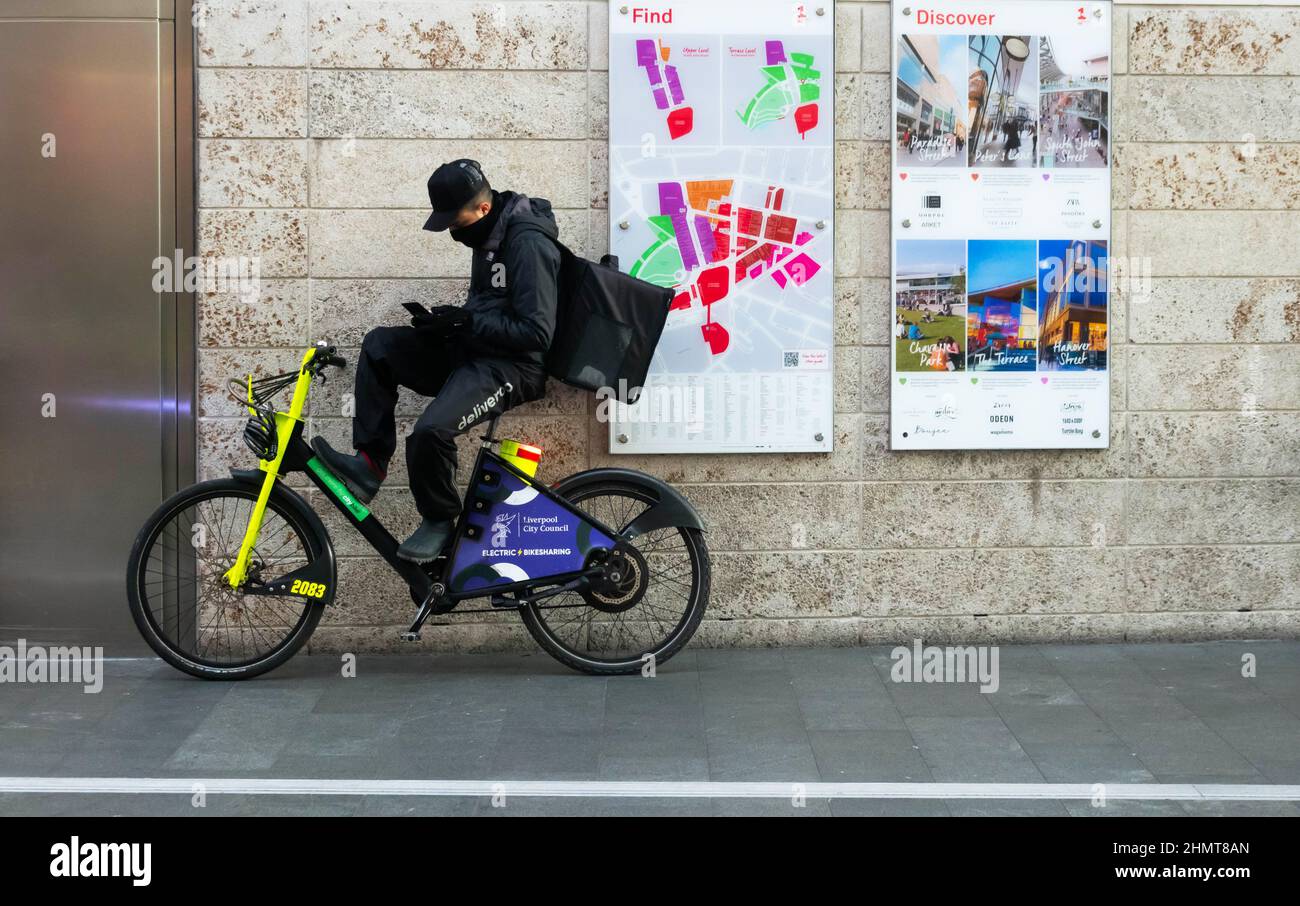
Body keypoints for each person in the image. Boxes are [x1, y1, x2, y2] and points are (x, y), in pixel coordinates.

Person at [312, 159, 562, 563]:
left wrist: (468, 320)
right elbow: (490, 309)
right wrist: (448, 324)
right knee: (380, 346)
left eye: (456, 223)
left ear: (483, 209)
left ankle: (440, 521)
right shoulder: (488, 234)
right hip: (474, 350)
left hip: (514, 367)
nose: (453, 232)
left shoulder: (528, 242)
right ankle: (369, 464)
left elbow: (536, 332)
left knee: (429, 432)